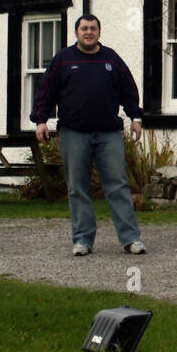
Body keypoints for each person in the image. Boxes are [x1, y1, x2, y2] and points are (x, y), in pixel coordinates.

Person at [31, 13, 147, 256]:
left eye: (93, 28)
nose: (89, 32)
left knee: (118, 186)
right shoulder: (63, 60)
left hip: (109, 134)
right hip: (73, 134)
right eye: (84, 28)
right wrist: (41, 120)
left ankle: (131, 239)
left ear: (99, 32)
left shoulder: (111, 59)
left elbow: (129, 89)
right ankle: (82, 240)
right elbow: (45, 91)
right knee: (77, 188)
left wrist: (135, 118)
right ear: (76, 32)